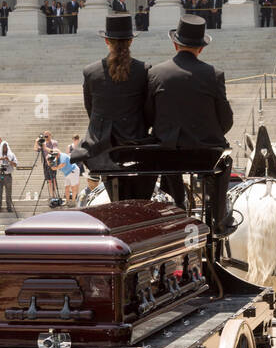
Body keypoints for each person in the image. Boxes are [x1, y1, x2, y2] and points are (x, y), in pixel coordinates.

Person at [143, 13, 235, 234]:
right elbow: (226, 120)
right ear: (201, 48)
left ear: (175, 44)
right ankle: (218, 219)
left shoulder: (155, 73)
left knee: (165, 161)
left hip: (168, 154)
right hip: (205, 154)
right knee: (224, 162)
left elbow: (148, 116)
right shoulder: (214, 74)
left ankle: (177, 202)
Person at [72, 14, 152, 201]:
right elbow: (149, 112)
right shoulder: (143, 70)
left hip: (102, 150)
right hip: (136, 146)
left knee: (116, 194)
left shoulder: (91, 72)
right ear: (131, 41)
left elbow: (91, 110)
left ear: (107, 40)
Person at [0, 141, 18, 213]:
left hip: (7, 175)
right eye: (3, 147)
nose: (4, 148)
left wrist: (9, 160)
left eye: (6, 147)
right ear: (1, 147)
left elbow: (15, 165)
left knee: (8, 192)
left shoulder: (11, 155)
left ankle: (9, 207)